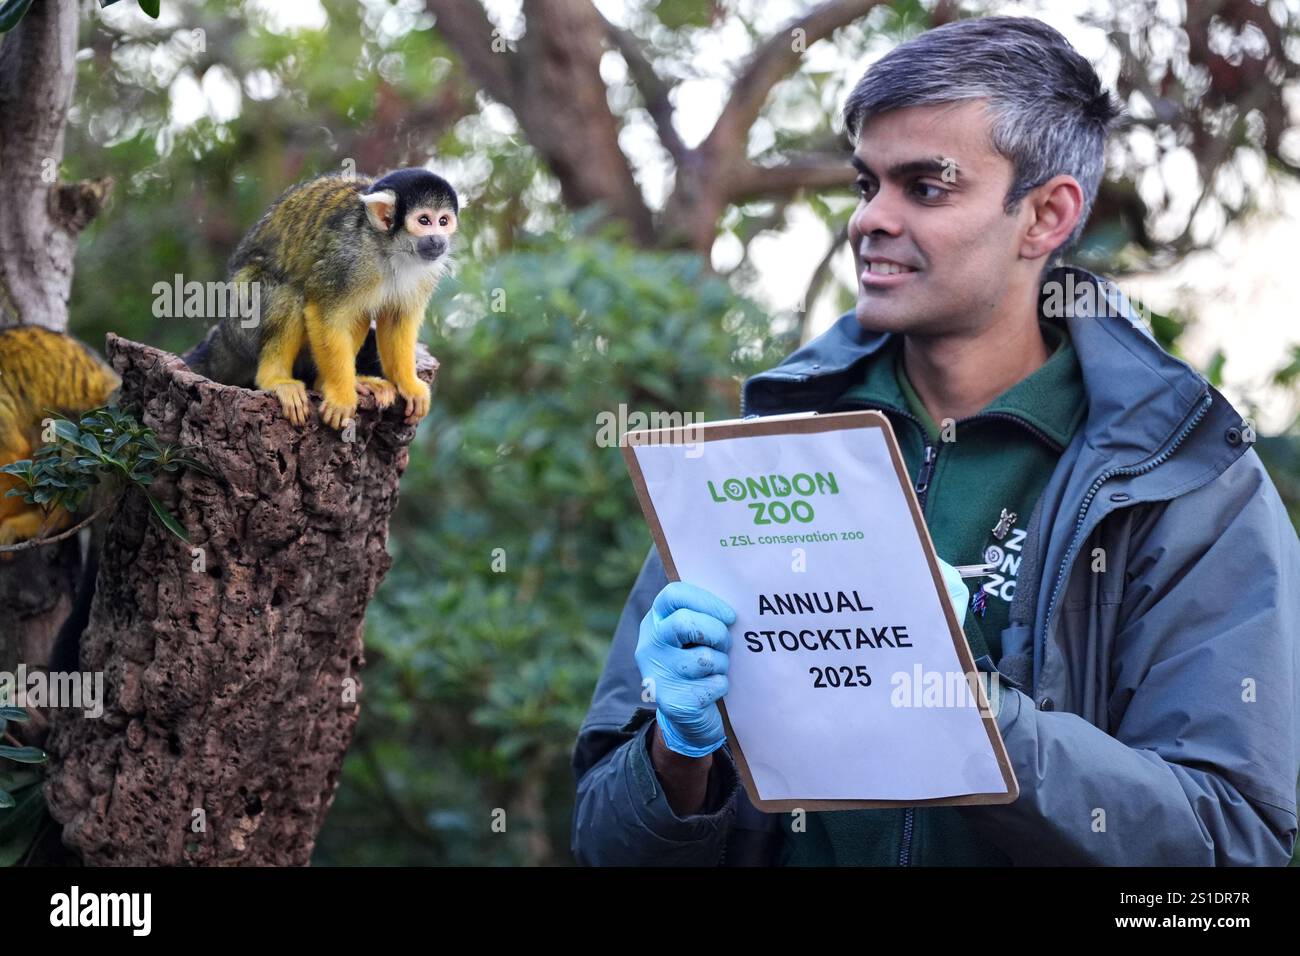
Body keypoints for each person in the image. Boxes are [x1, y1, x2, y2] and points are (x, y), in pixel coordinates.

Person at [571, 15, 1300, 866]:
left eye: (925, 187)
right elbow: (605, 840)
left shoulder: (1185, 479)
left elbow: (1232, 849)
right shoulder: (759, 457)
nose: (870, 220)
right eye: (866, 183)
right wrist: (677, 757)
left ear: (1045, 215)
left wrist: (976, 717)